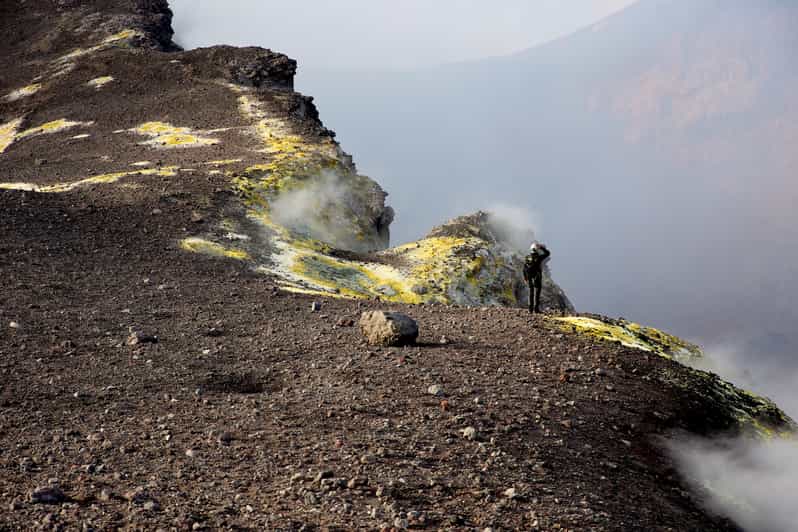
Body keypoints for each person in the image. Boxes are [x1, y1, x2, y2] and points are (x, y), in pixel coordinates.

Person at [523, 242, 550, 314]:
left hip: (529, 277)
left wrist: (525, 277)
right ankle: (536, 309)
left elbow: (524, 268)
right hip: (537, 277)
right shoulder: (538, 257)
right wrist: (541, 247)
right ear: (536, 249)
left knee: (530, 293)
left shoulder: (527, 257)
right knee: (537, 293)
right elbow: (547, 253)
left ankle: (530, 310)